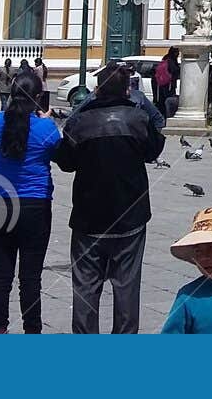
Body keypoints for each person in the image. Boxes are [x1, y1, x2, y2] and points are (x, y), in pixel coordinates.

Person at [53, 60, 166, 333]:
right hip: (130, 216)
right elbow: (154, 150)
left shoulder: (80, 121)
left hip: (89, 218)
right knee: (126, 286)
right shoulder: (137, 119)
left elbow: (66, 162)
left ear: (97, 90)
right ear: (127, 90)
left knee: (85, 287)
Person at [0, 75, 60, 333]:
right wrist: (45, 120)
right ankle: (32, 330)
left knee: (0, 275)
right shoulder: (46, 129)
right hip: (34, 204)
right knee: (30, 277)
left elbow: (4, 135)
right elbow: (55, 153)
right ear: (38, 98)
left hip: (0, 204)